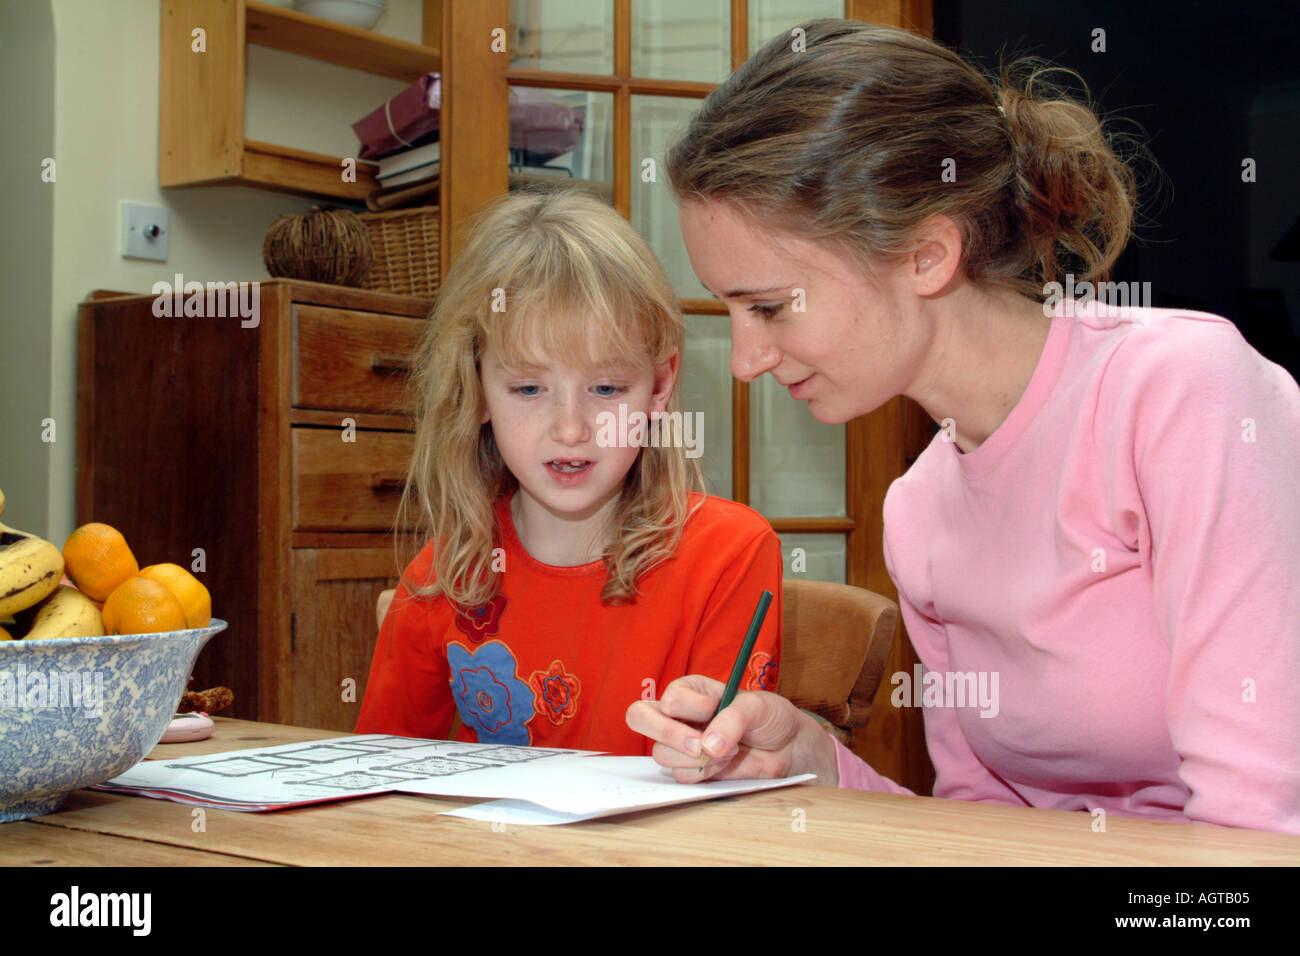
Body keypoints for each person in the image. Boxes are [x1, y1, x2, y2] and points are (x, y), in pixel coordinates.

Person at [625, 19, 1300, 833]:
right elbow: (979, 829)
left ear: (927, 256)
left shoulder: (1184, 395)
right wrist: (810, 758)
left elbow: (1260, 832)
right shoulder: (918, 512)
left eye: (768, 306)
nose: (744, 359)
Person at [355, 188, 782, 755]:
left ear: (659, 386)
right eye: (529, 388)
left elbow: (731, 785)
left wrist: (707, 758)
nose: (572, 429)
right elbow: (380, 775)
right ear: (476, 389)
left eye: (606, 388)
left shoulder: (730, 555)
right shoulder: (440, 576)